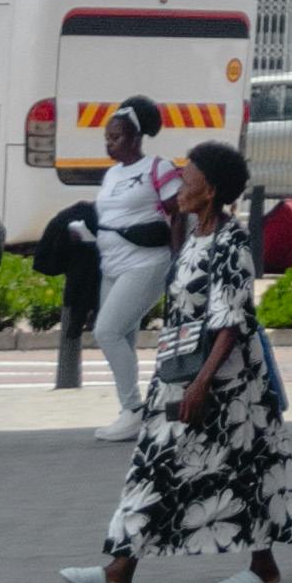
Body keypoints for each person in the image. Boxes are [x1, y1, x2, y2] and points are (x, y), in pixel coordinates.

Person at [70, 140, 292, 583]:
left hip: (224, 385)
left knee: (191, 465)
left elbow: (230, 322)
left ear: (209, 192)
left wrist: (199, 385)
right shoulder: (197, 235)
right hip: (183, 374)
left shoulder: (232, 243)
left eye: (188, 179)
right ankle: (260, 568)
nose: (178, 185)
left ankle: (122, 572)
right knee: (213, 467)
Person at [87, 103, 180, 435]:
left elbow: (179, 213)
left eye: (115, 137)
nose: (109, 144)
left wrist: (180, 259)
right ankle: (134, 411)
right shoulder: (112, 174)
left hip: (146, 263)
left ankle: (133, 410)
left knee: (106, 332)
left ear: (136, 137)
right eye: (106, 137)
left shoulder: (158, 167)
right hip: (111, 265)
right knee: (122, 335)